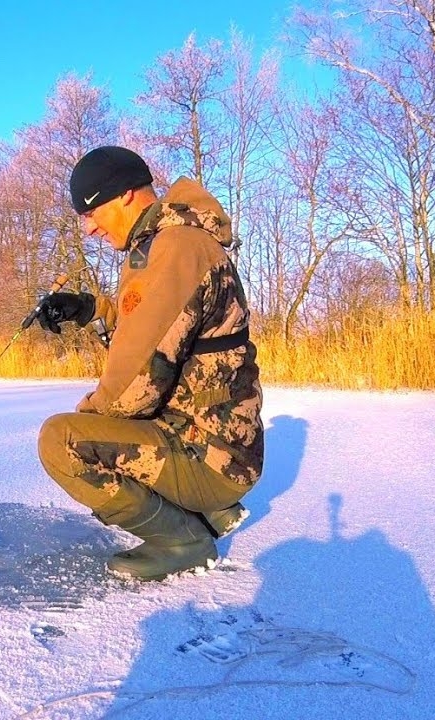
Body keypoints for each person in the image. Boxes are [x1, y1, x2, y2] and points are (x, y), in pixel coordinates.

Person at [35, 146, 264, 580]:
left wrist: (88, 427)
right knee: (93, 428)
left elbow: (134, 386)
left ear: (123, 195)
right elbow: (151, 327)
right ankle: (207, 512)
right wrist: (89, 309)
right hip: (202, 436)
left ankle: (184, 540)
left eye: (91, 212)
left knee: (60, 440)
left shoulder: (177, 248)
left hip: (213, 455)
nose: (88, 229)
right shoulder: (167, 242)